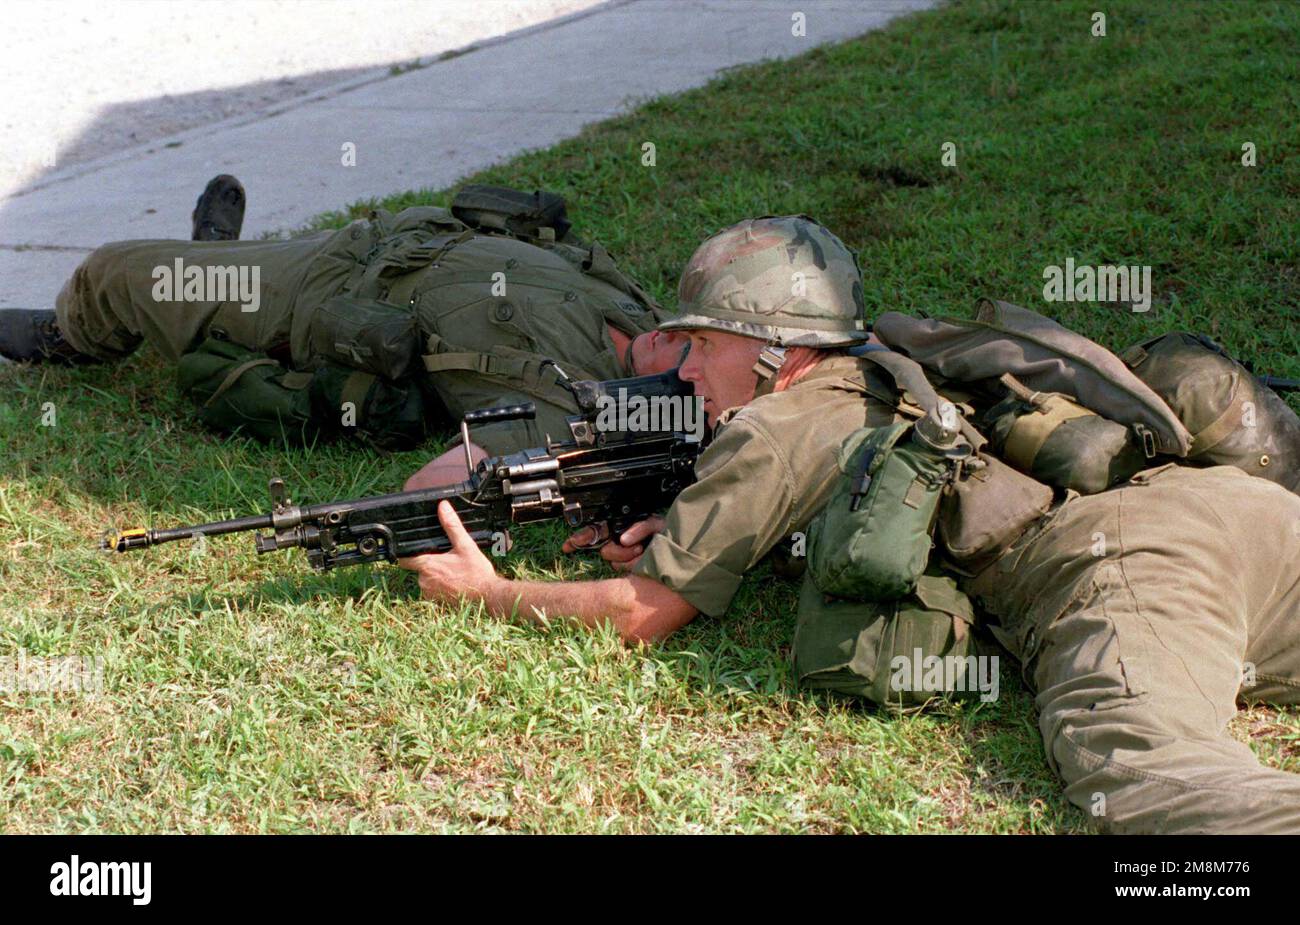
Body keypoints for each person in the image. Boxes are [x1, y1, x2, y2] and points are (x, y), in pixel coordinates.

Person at [398, 213, 1300, 834]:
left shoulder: (771, 428)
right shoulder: (886, 355)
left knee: (1146, 778)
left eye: (705, 344)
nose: (685, 372)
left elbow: (646, 609)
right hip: (1225, 505)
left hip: (1123, 574)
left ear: (776, 353)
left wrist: (493, 592)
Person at [0, 176, 688, 479]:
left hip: (319, 297)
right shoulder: (648, 318)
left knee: (117, 271)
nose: (682, 336)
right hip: (377, 241)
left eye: (695, 354)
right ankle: (215, 259)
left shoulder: (566, 409)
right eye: (700, 332)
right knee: (206, 275)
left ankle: (77, 333)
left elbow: (450, 481)